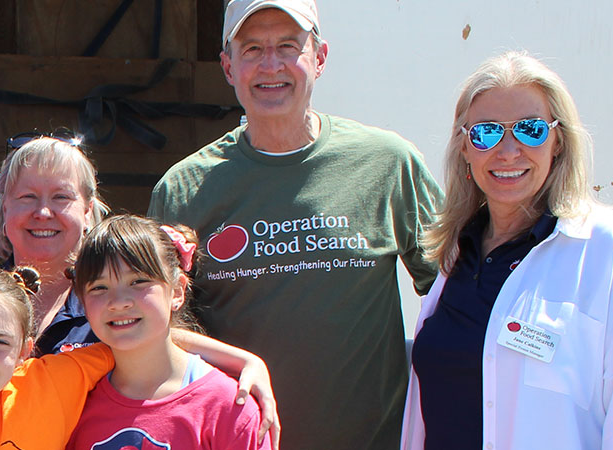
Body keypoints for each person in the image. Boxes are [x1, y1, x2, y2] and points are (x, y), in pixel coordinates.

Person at [147, 1, 442, 447]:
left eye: (288, 46)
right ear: (228, 67)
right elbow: (155, 327)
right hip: (240, 441)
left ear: (320, 58)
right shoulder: (184, 189)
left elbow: (455, 289)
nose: (271, 65)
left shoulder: (387, 164)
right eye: (252, 49)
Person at [402, 51, 613, 449]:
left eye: (530, 130)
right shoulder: (458, 255)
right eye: (486, 132)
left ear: (558, 141)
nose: (509, 151)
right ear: (464, 147)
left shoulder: (609, 251)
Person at [0, 259, 271, 450]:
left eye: (0, 343)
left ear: (24, 351)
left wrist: (245, 361)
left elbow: (140, 335)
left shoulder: (52, 379)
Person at [65, 216, 269, 450]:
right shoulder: (75, 404)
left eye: (138, 282)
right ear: (82, 300)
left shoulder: (228, 406)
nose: (118, 302)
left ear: (177, 291)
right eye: (99, 287)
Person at [0, 132, 109, 356]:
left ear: (87, 211)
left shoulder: (114, 302)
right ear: (5, 208)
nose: (43, 212)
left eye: (61, 197)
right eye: (28, 197)